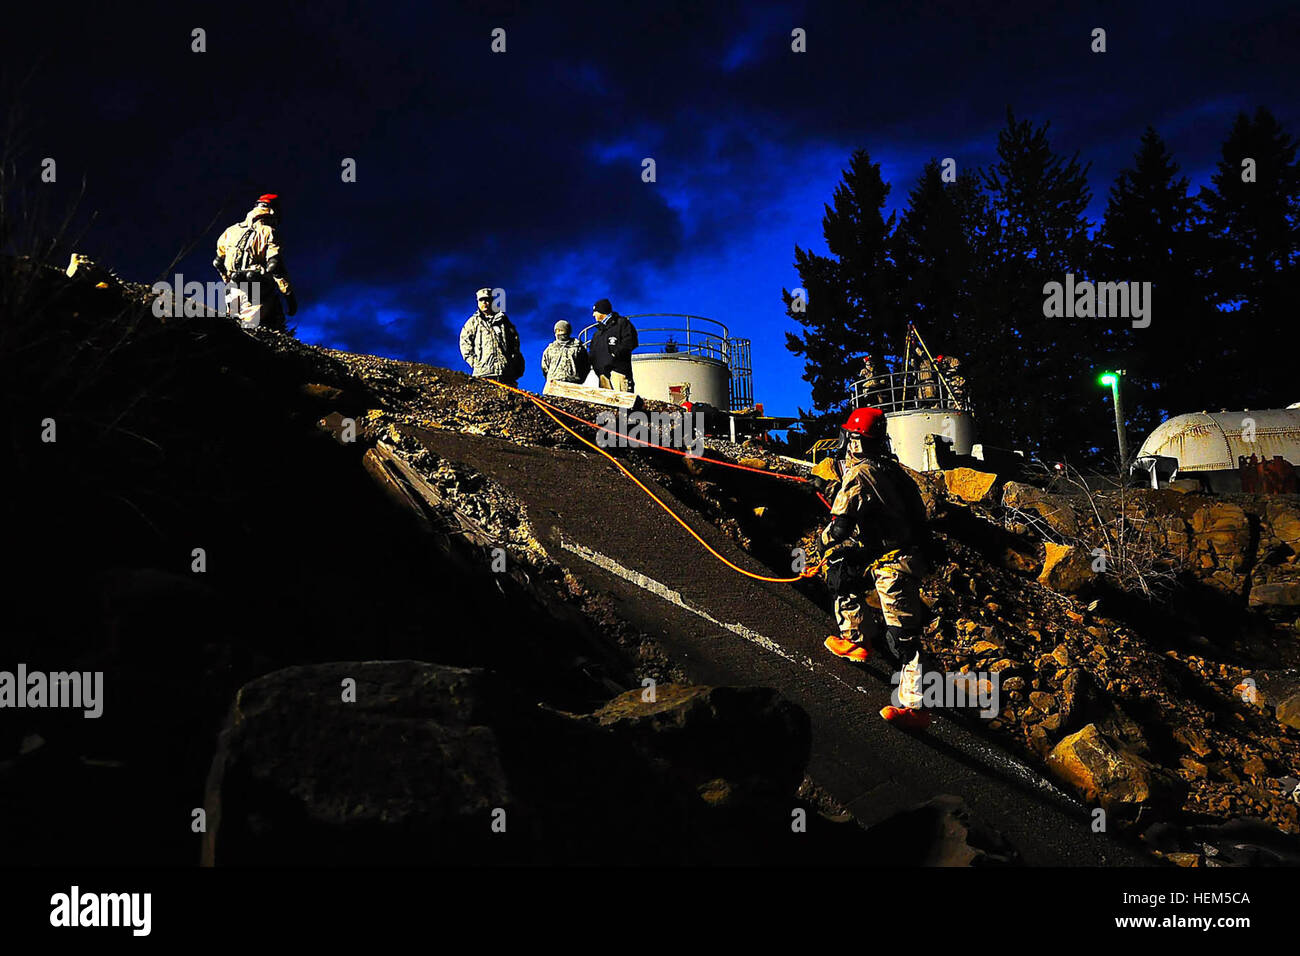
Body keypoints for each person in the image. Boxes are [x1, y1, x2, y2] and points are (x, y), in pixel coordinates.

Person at [816, 406, 934, 730]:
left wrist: (823, 542)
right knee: (843, 571)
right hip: (887, 553)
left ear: (854, 440)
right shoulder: (893, 470)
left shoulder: (861, 473)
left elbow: (840, 527)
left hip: (895, 562)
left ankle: (916, 708)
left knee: (903, 638)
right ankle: (855, 638)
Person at [214, 193, 297, 330]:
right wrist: (289, 296)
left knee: (234, 327)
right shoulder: (269, 232)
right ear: (273, 211)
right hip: (259, 292)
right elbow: (275, 266)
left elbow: (218, 262)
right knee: (270, 328)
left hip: (234, 291)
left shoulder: (231, 231)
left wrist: (227, 280)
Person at [459, 287, 524, 385]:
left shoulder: (504, 321)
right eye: (482, 300)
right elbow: (464, 343)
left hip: (505, 374)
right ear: (478, 302)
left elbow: (515, 342)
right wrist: (475, 363)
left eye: (487, 299)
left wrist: (512, 361)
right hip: (483, 374)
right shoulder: (473, 322)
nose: (484, 302)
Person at [587, 298, 638, 392]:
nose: (593, 314)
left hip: (618, 373)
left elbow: (630, 342)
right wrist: (598, 369)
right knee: (608, 405)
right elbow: (592, 353)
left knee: (623, 405)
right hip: (603, 376)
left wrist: (614, 355)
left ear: (602, 312)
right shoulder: (597, 334)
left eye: (595, 312)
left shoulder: (622, 323)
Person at [541, 320, 591, 384]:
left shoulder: (578, 348)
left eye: (561, 330)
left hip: (573, 383)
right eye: (557, 331)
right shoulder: (550, 349)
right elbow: (545, 367)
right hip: (553, 383)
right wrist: (551, 377)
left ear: (567, 331)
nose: (559, 333)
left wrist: (578, 379)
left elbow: (585, 366)